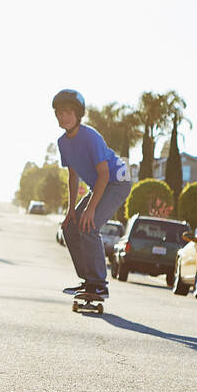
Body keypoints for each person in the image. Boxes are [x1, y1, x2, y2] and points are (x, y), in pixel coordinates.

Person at [53, 89, 131, 298]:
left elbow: (104, 175)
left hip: (117, 181)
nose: (63, 117)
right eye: (59, 113)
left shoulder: (91, 137)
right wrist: (71, 210)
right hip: (99, 184)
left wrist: (90, 209)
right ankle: (88, 280)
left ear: (78, 114)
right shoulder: (62, 143)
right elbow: (73, 176)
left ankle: (99, 284)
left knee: (89, 225)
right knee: (70, 227)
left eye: (68, 112)